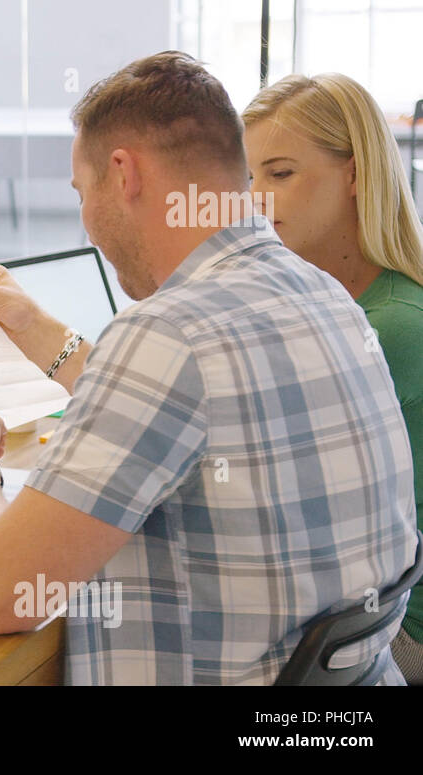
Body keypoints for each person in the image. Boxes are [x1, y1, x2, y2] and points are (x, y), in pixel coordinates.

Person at [0, 51, 418, 684]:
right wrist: (40, 330)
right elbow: (197, 402)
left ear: (124, 173)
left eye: (82, 192)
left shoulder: (168, 331)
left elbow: (0, 596)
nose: (87, 220)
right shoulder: (326, 296)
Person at [242, 72, 423, 684]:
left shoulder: (392, 326)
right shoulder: (336, 302)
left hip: (399, 634)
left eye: (281, 173)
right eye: (249, 177)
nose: (256, 199)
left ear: (354, 175)